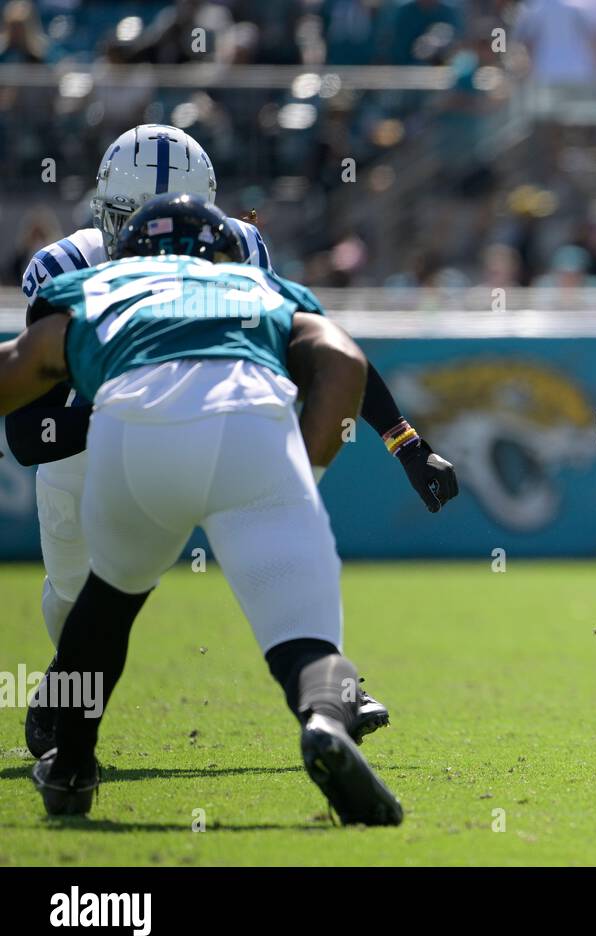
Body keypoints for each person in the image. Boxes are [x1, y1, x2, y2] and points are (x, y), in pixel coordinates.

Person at [9, 124, 457, 760]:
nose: (161, 258)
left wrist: (406, 441)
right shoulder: (67, 269)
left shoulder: (235, 250)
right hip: (103, 446)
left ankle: (74, 756)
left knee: (122, 595)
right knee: (87, 598)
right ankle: (318, 695)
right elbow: (32, 433)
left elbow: (322, 339)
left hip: (163, 433)